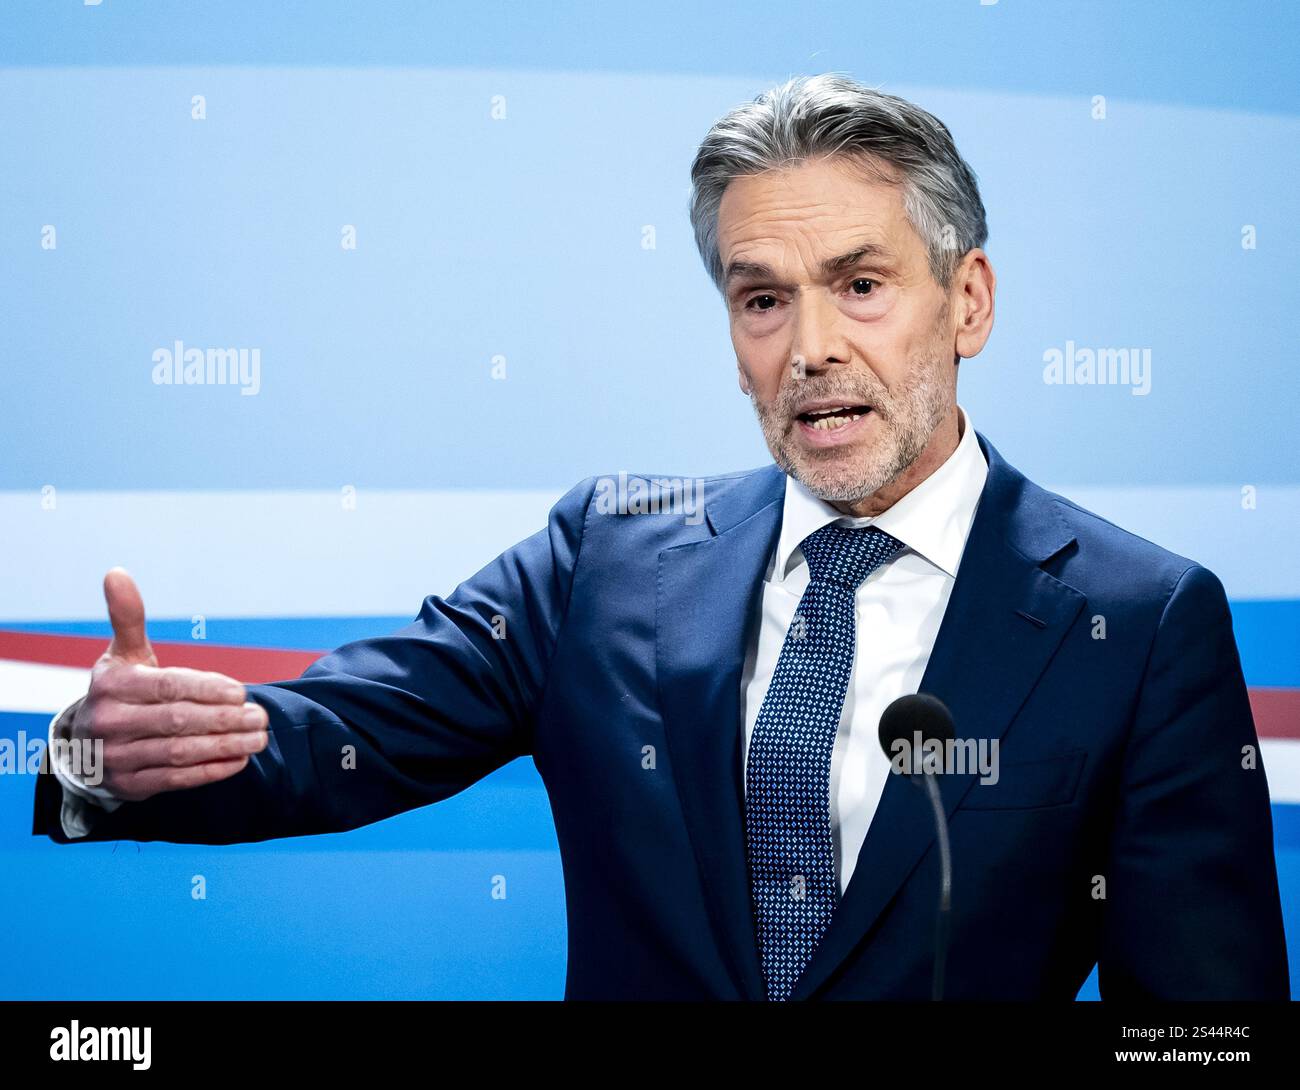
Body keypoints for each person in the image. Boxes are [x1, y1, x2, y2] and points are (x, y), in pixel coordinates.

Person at [33, 73, 1289, 1001]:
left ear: (966, 302)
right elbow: (338, 738)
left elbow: (1200, 1024)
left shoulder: (1137, 617)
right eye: (761, 299)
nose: (809, 349)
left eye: (860, 285)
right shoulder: (609, 553)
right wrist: (116, 751)